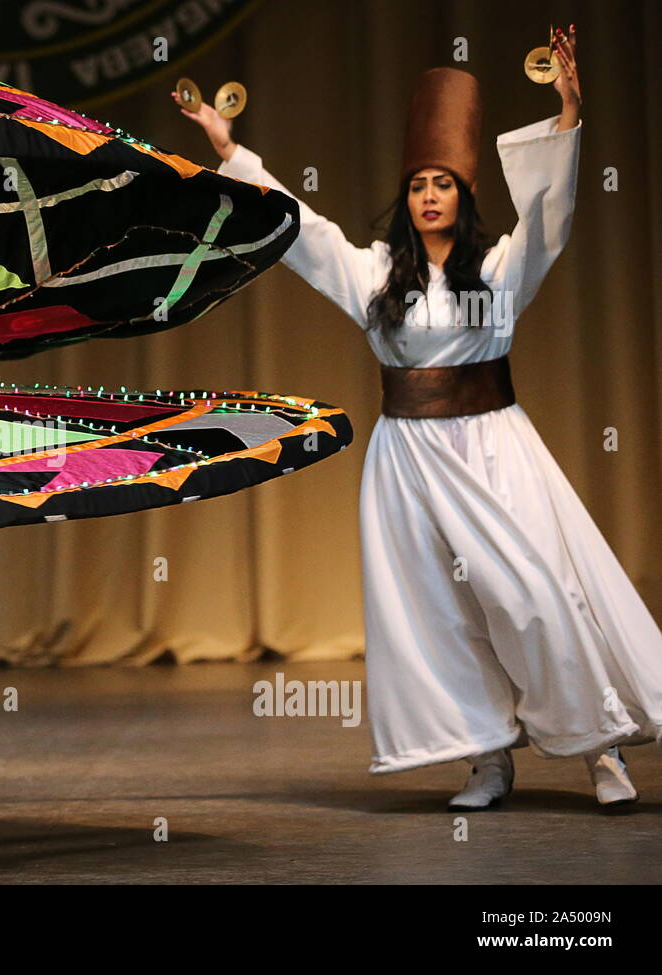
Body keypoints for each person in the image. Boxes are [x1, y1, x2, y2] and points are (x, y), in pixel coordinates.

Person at [177, 24, 662, 809]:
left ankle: (597, 746)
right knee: (440, 608)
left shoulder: (501, 268)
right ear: (405, 199)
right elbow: (302, 232)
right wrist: (231, 154)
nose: (429, 194)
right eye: (417, 184)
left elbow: (550, 216)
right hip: (407, 456)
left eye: (442, 182)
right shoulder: (375, 276)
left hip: (493, 445)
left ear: (463, 195)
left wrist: (569, 113)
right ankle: (486, 757)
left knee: (537, 597)